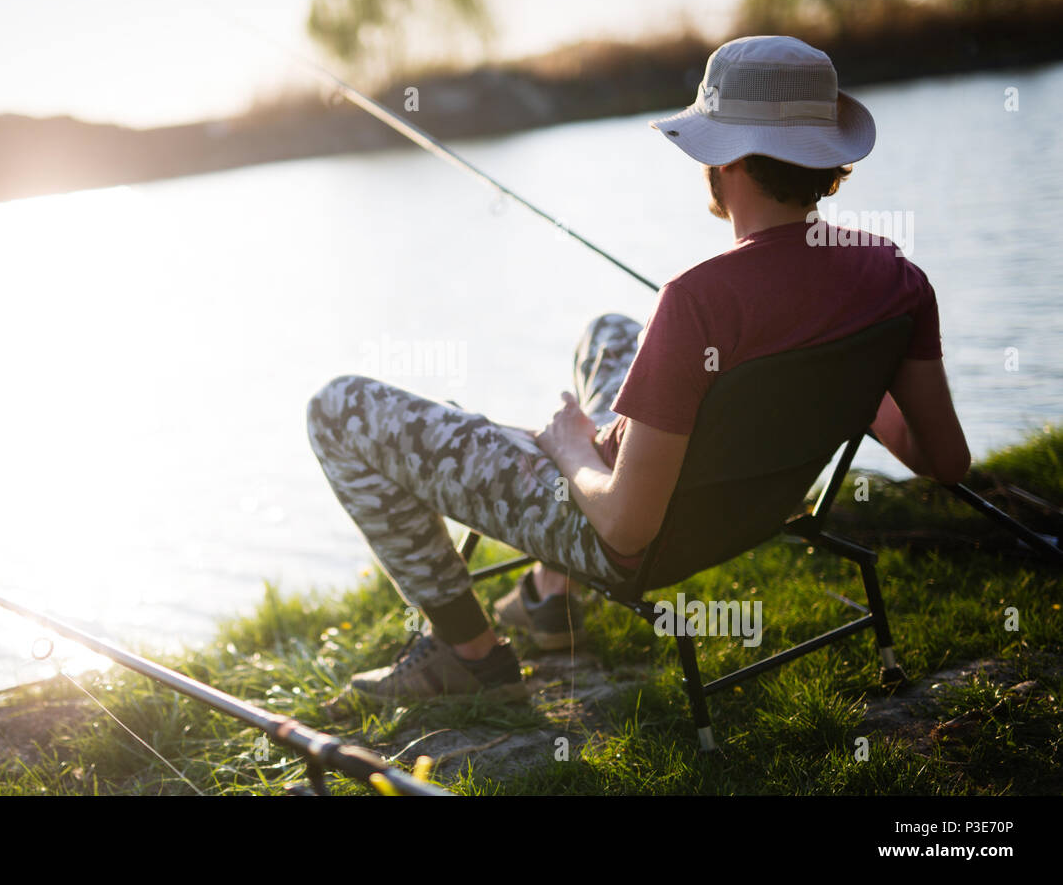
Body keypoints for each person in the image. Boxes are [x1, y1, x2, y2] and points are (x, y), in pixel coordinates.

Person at [305, 35, 970, 705]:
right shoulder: (894, 278)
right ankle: (547, 597)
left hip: (626, 536)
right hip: (746, 513)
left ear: (728, 160)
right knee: (611, 332)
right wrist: (847, 382)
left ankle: (470, 657)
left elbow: (626, 528)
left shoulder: (697, 299)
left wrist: (570, 451)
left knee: (337, 410)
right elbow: (945, 459)